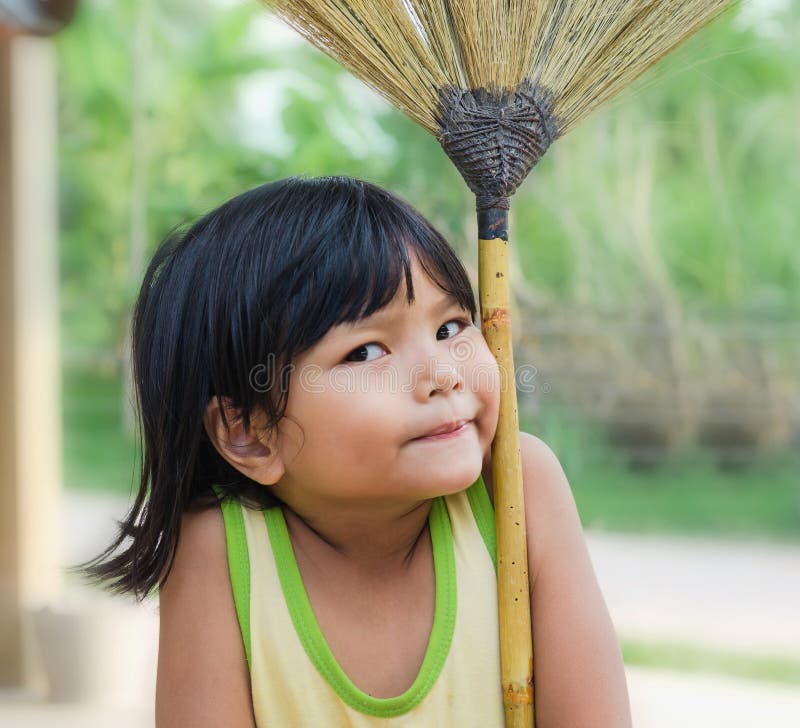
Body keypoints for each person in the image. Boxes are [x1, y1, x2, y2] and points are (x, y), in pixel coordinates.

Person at [78, 176, 632, 727]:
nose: (442, 374)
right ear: (250, 432)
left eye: (451, 327)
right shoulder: (222, 553)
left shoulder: (517, 488)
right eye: (366, 351)